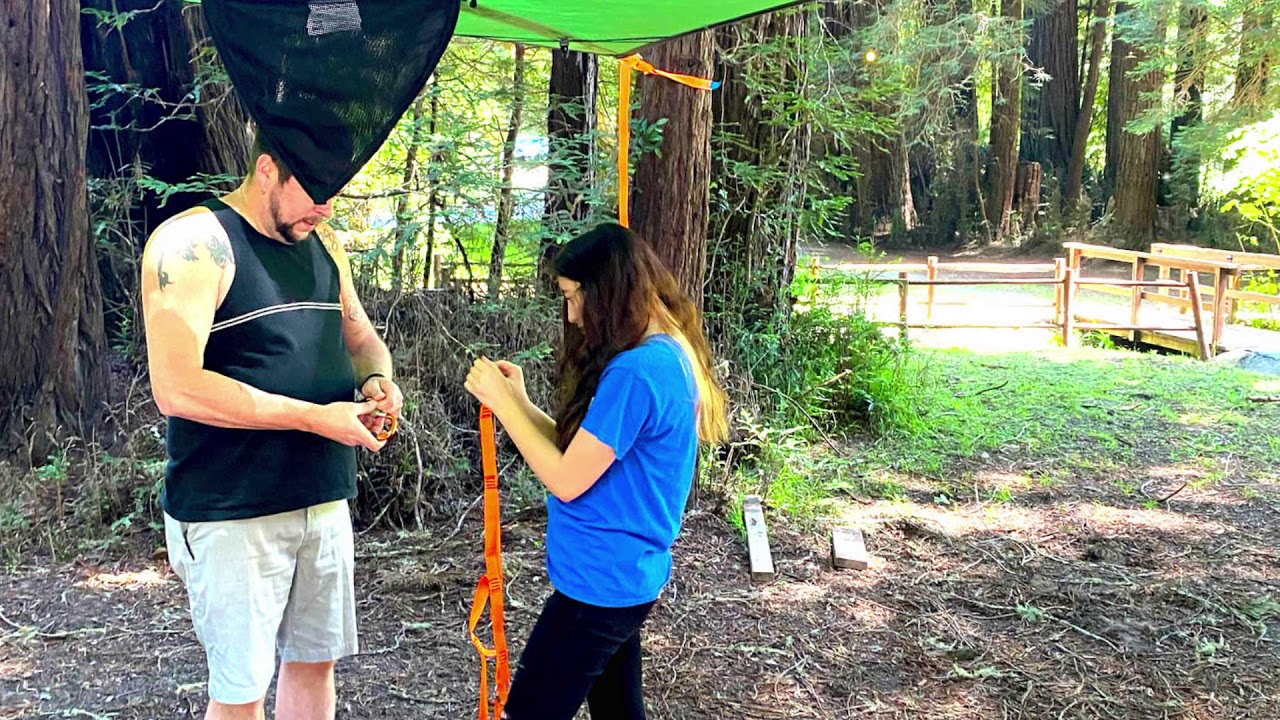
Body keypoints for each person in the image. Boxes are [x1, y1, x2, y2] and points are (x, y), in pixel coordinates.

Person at [140, 131, 403, 720]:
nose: (326, 207)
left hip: (322, 498)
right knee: (241, 691)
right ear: (267, 170)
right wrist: (317, 419)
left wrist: (377, 380)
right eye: (314, 191)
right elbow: (176, 387)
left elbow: (359, 338)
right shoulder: (193, 244)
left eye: (335, 194)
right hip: (232, 507)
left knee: (314, 664)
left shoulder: (324, 239)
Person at [464, 222, 729, 720]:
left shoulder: (636, 373)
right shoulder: (666, 352)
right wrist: (518, 402)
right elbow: (581, 455)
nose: (571, 313)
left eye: (571, 296)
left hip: (600, 588)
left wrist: (501, 403)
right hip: (623, 579)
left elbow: (565, 478)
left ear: (602, 291)